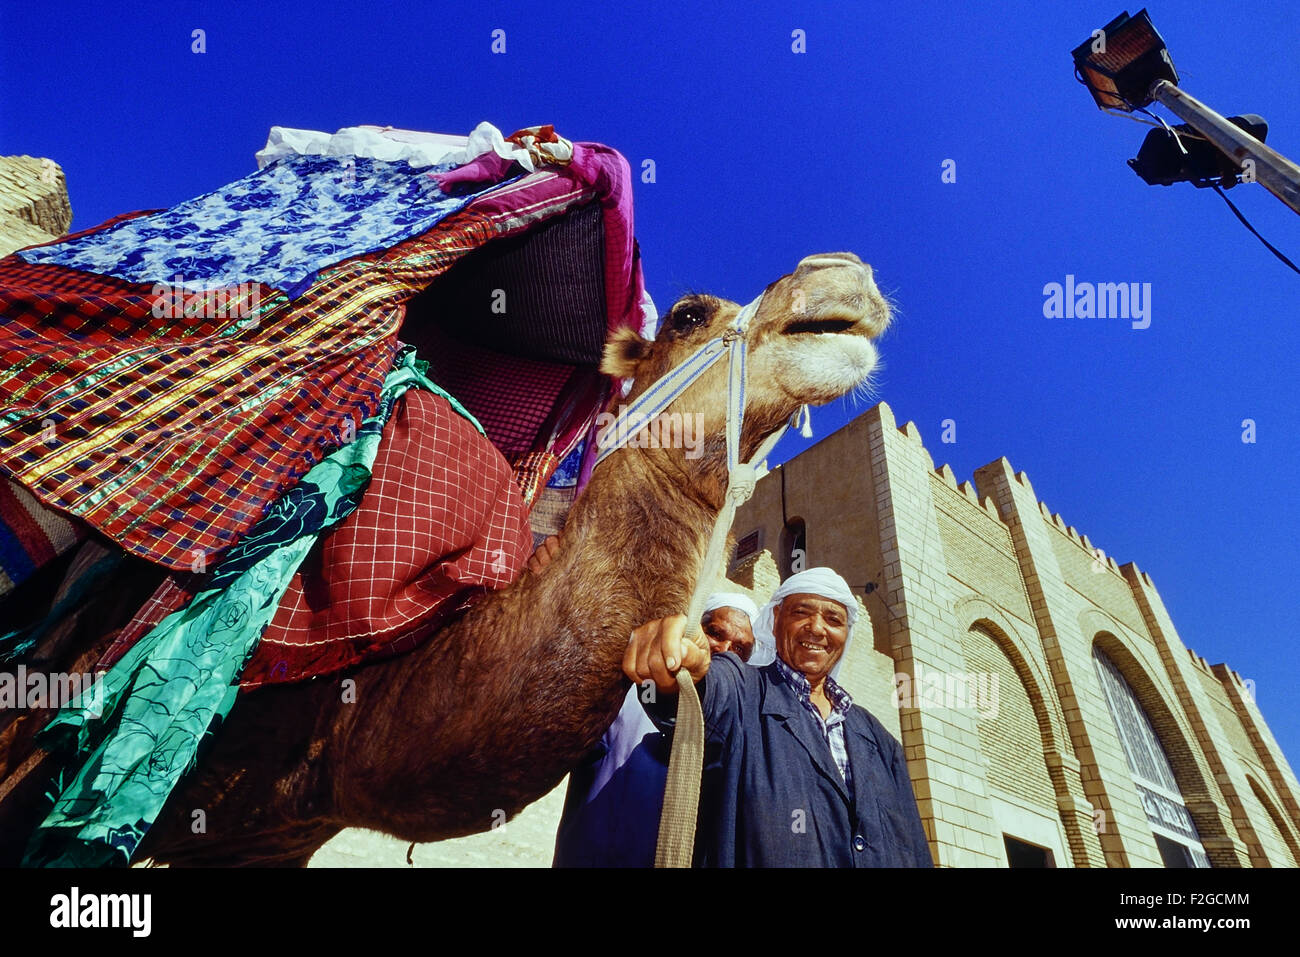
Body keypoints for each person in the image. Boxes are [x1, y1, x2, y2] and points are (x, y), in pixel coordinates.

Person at [625, 567, 933, 867]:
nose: (816, 627)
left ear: (845, 634)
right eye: (801, 612)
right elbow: (705, 693)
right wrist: (679, 669)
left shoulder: (880, 740)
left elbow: (915, 849)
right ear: (775, 621)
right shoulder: (742, 688)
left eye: (833, 619)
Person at [552, 591, 760, 867]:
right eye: (715, 634)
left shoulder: (738, 733)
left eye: (739, 649)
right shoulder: (628, 691)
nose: (723, 650)